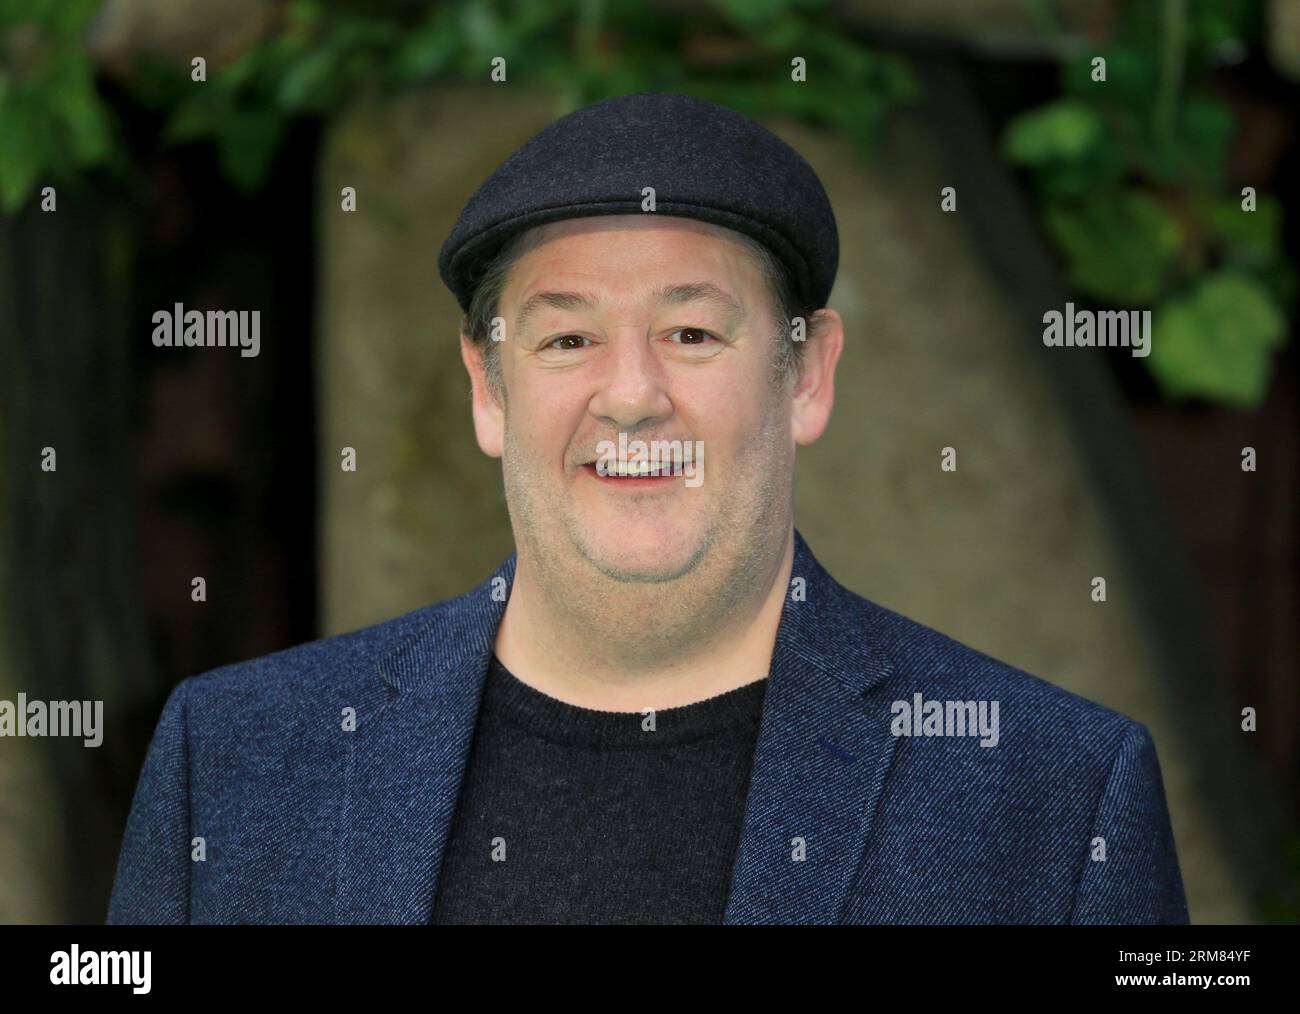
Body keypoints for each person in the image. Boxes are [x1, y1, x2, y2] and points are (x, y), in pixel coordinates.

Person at [108, 91, 1189, 924]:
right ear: (488, 388)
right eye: (567, 337)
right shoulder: (237, 763)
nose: (629, 394)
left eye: (692, 332)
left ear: (805, 376)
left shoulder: (1055, 793)